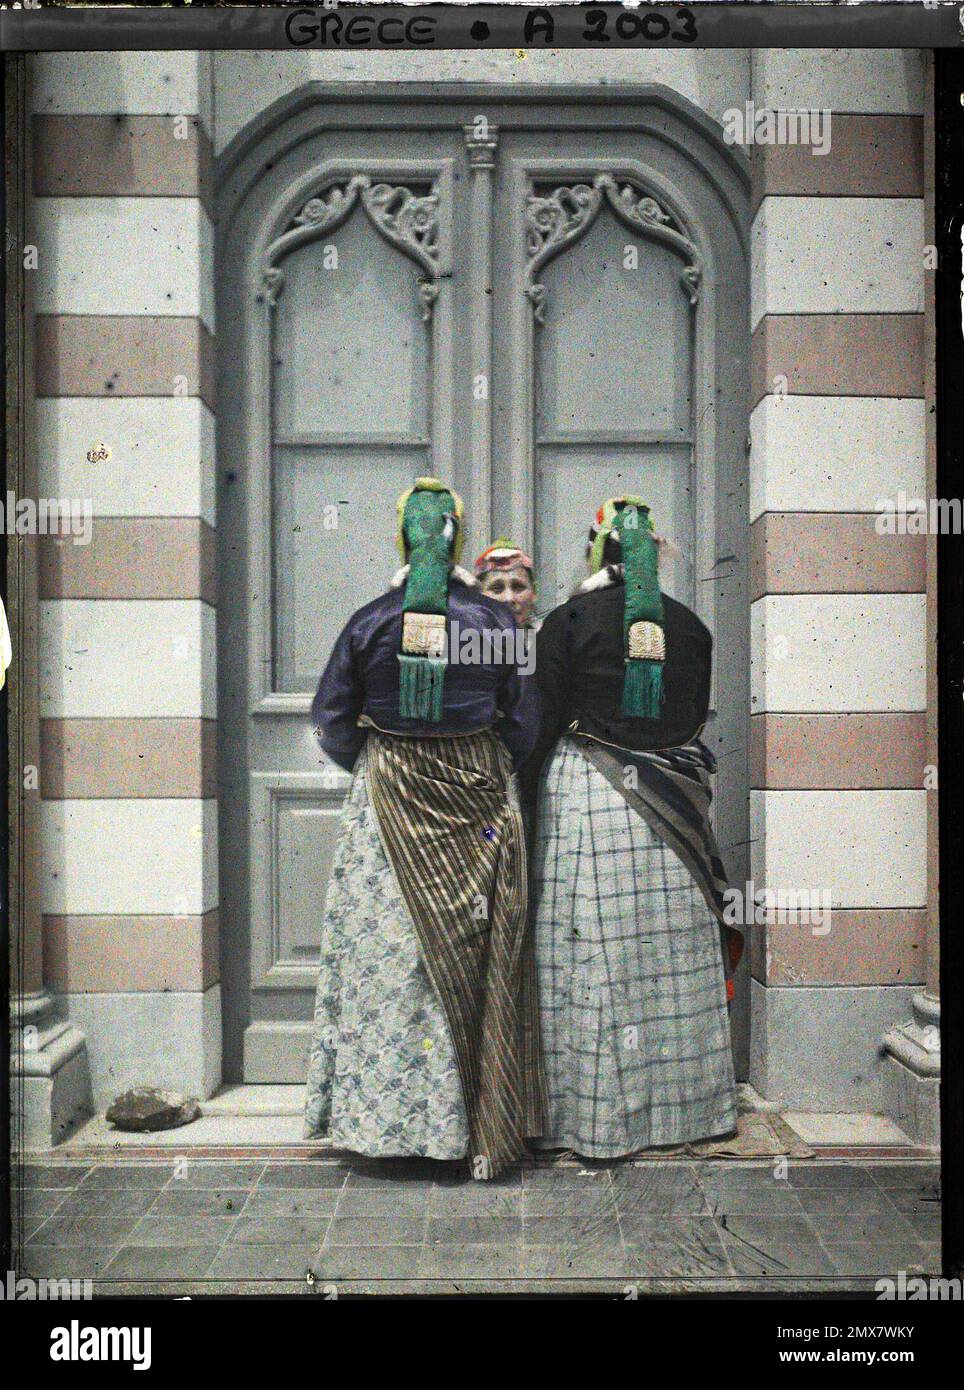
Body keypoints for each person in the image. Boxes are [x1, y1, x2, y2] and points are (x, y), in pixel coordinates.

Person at [304, 478, 546, 1179]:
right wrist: (481, 763)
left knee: (391, 959)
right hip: (479, 803)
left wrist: (384, 764)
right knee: (475, 958)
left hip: (386, 805)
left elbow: (329, 719)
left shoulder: (367, 621)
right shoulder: (501, 626)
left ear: (403, 539)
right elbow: (524, 721)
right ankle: (473, 1129)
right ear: (459, 541)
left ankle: (387, 1129)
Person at [522, 496, 744, 1159]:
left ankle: (588, 1119)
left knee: (592, 957)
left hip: (589, 801)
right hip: (674, 804)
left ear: (596, 551)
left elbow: (537, 725)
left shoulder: (569, 621)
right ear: (656, 553)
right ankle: (687, 1113)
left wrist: (518, 800)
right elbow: (693, 718)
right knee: (666, 960)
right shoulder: (692, 626)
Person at [473, 538, 542, 639]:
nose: (509, 598)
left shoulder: (553, 644)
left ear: (534, 593)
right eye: (497, 589)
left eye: (518, 587)